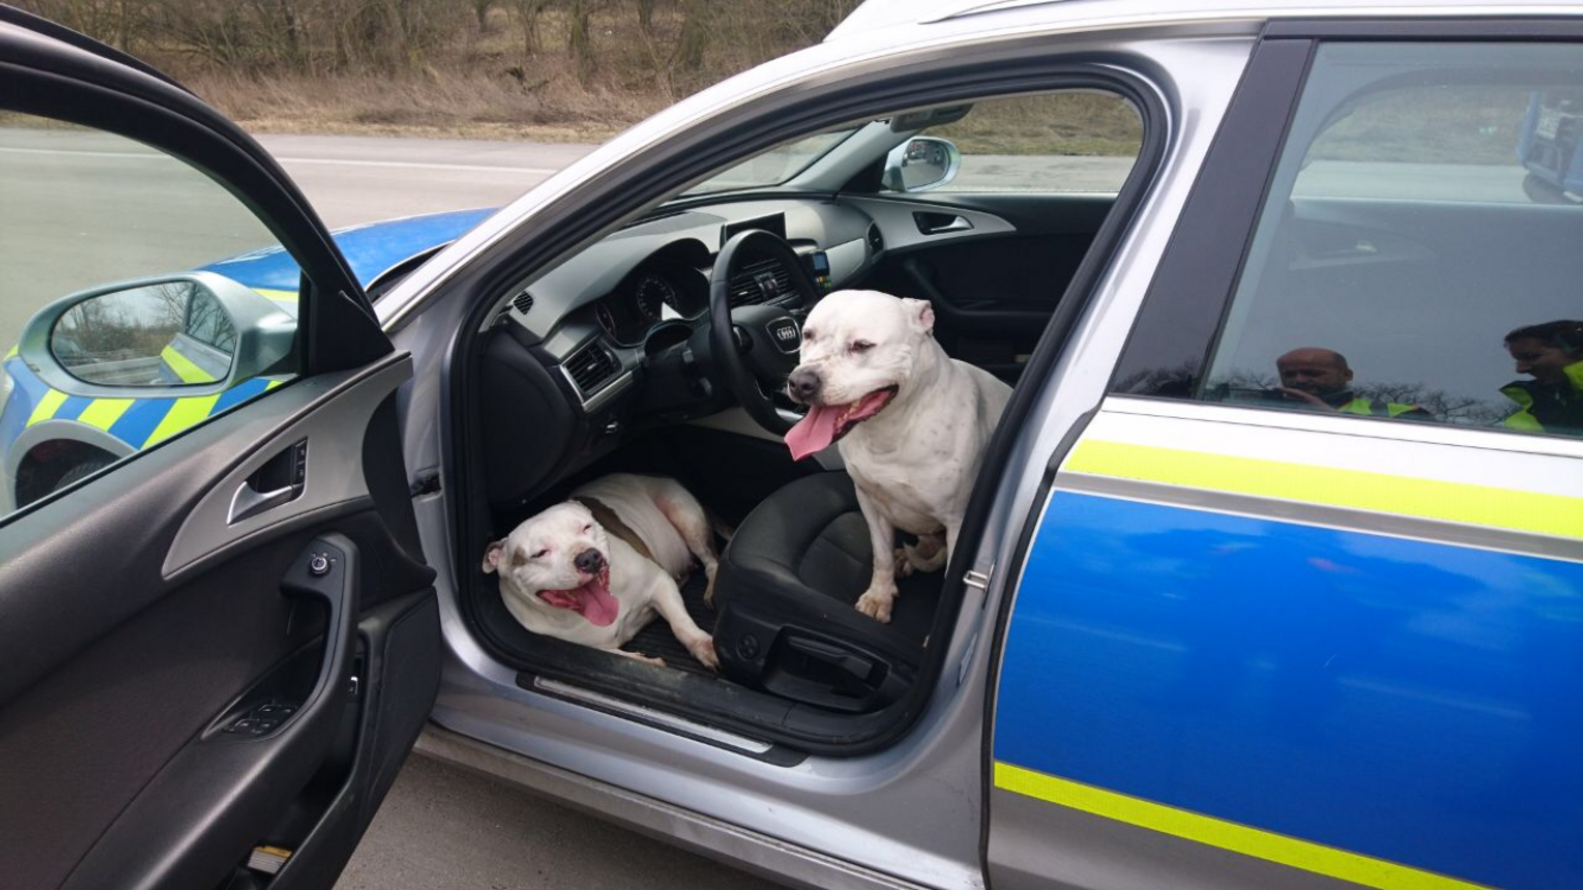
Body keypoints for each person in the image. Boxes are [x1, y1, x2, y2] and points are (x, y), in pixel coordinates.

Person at [1272, 347, 1430, 418]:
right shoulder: (1261, 408)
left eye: (1312, 373)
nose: (1299, 380)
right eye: (1289, 374)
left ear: (1347, 375)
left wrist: (1331, 417)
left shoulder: (1400, 413)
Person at [1500, 320, 1583, 435]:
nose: (1520, 369)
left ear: (1579, 353)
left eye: (1531, 357)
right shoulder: (1527, 419)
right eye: (1517, 360)